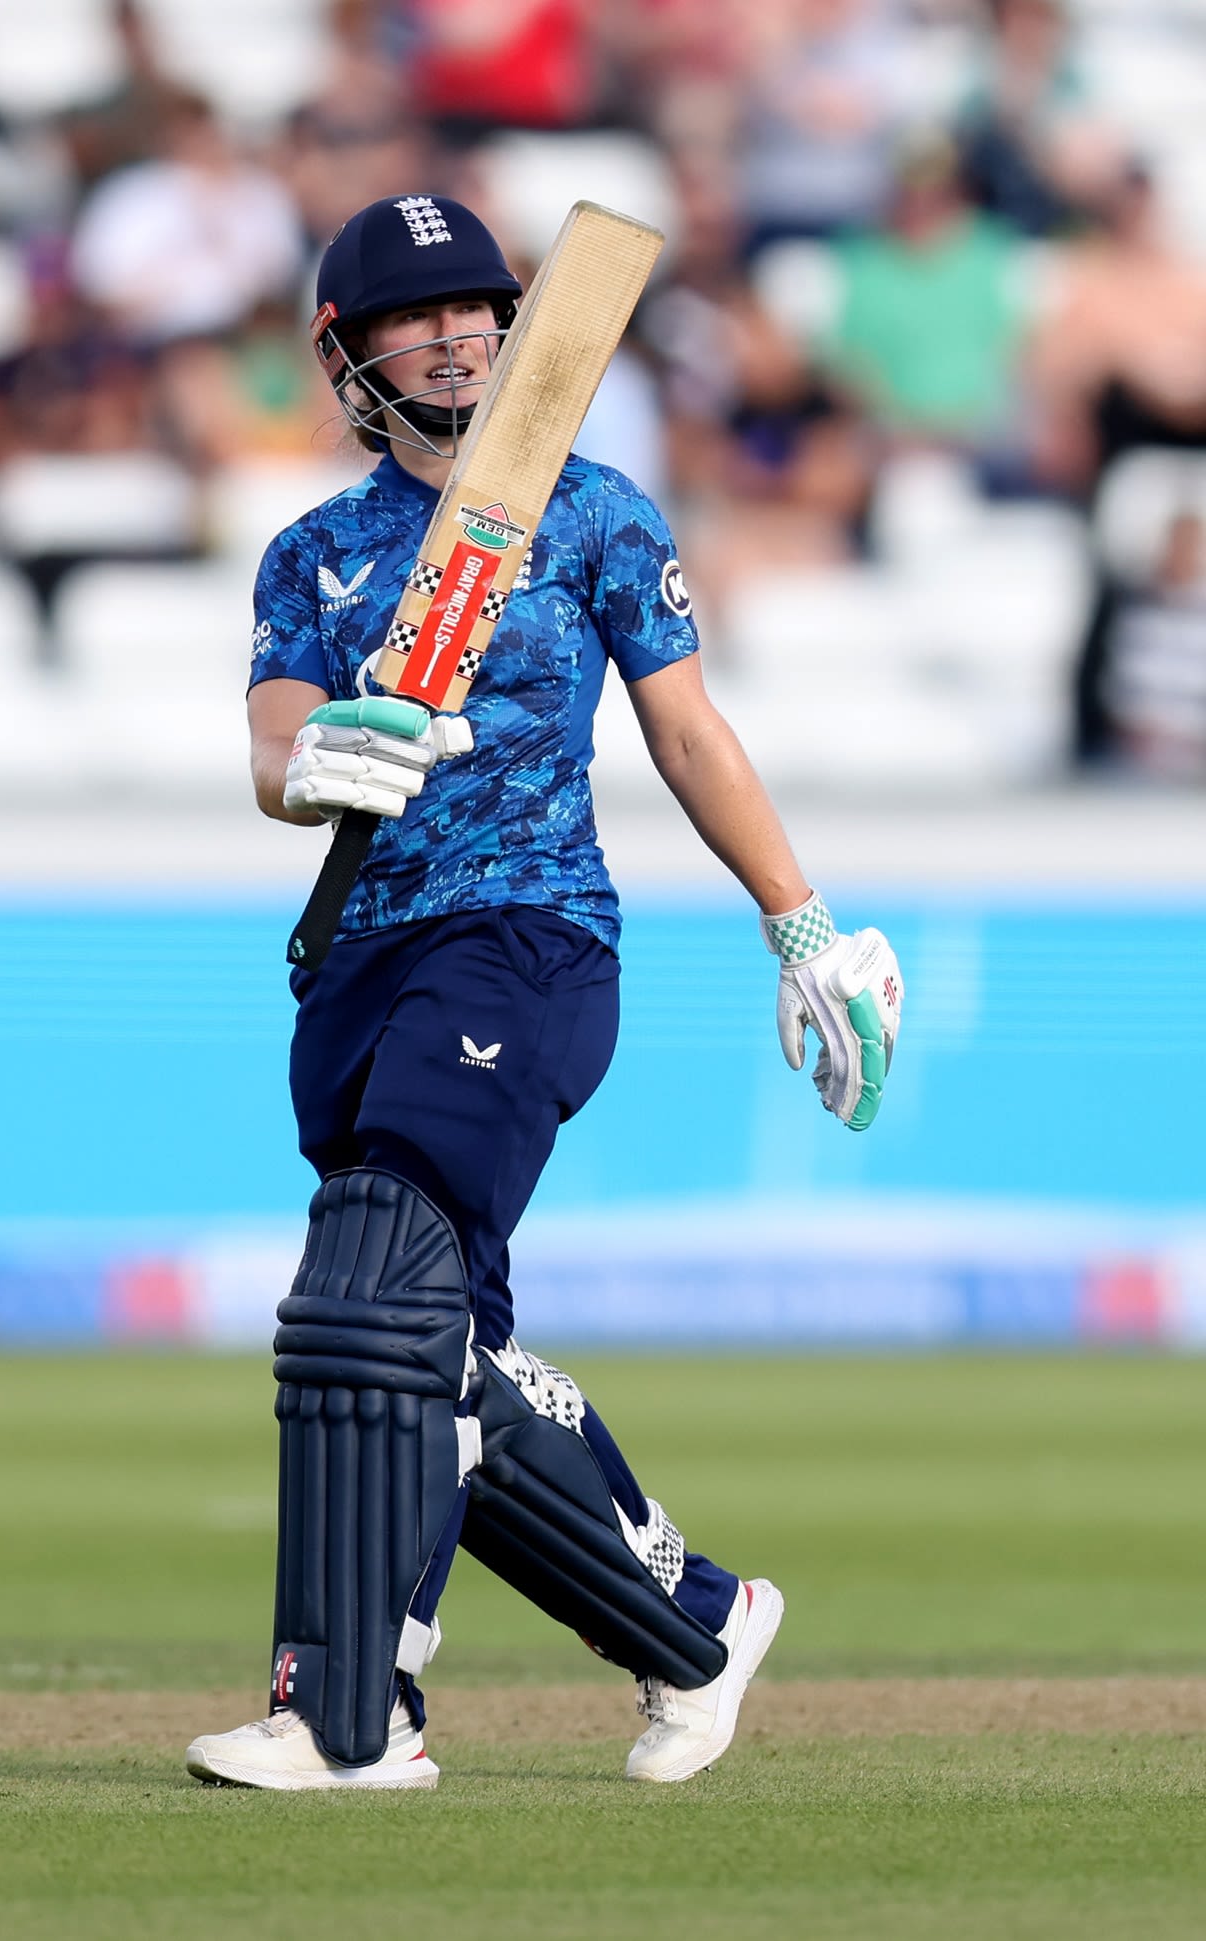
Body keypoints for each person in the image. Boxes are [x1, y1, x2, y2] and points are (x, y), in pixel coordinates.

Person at [185, 193, 904, 1793]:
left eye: (479, 310)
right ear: (346, 357)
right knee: (407, 1343)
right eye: (411, 317)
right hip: (363, 957)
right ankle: (698, 1626)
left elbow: (690, 733)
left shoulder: (591, 514)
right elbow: (268, 743)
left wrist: (802, 926)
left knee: (366, 1298)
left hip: (531, 940)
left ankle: (350, 1717)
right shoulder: (316, 550)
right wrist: (314, 762)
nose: (454, 335)